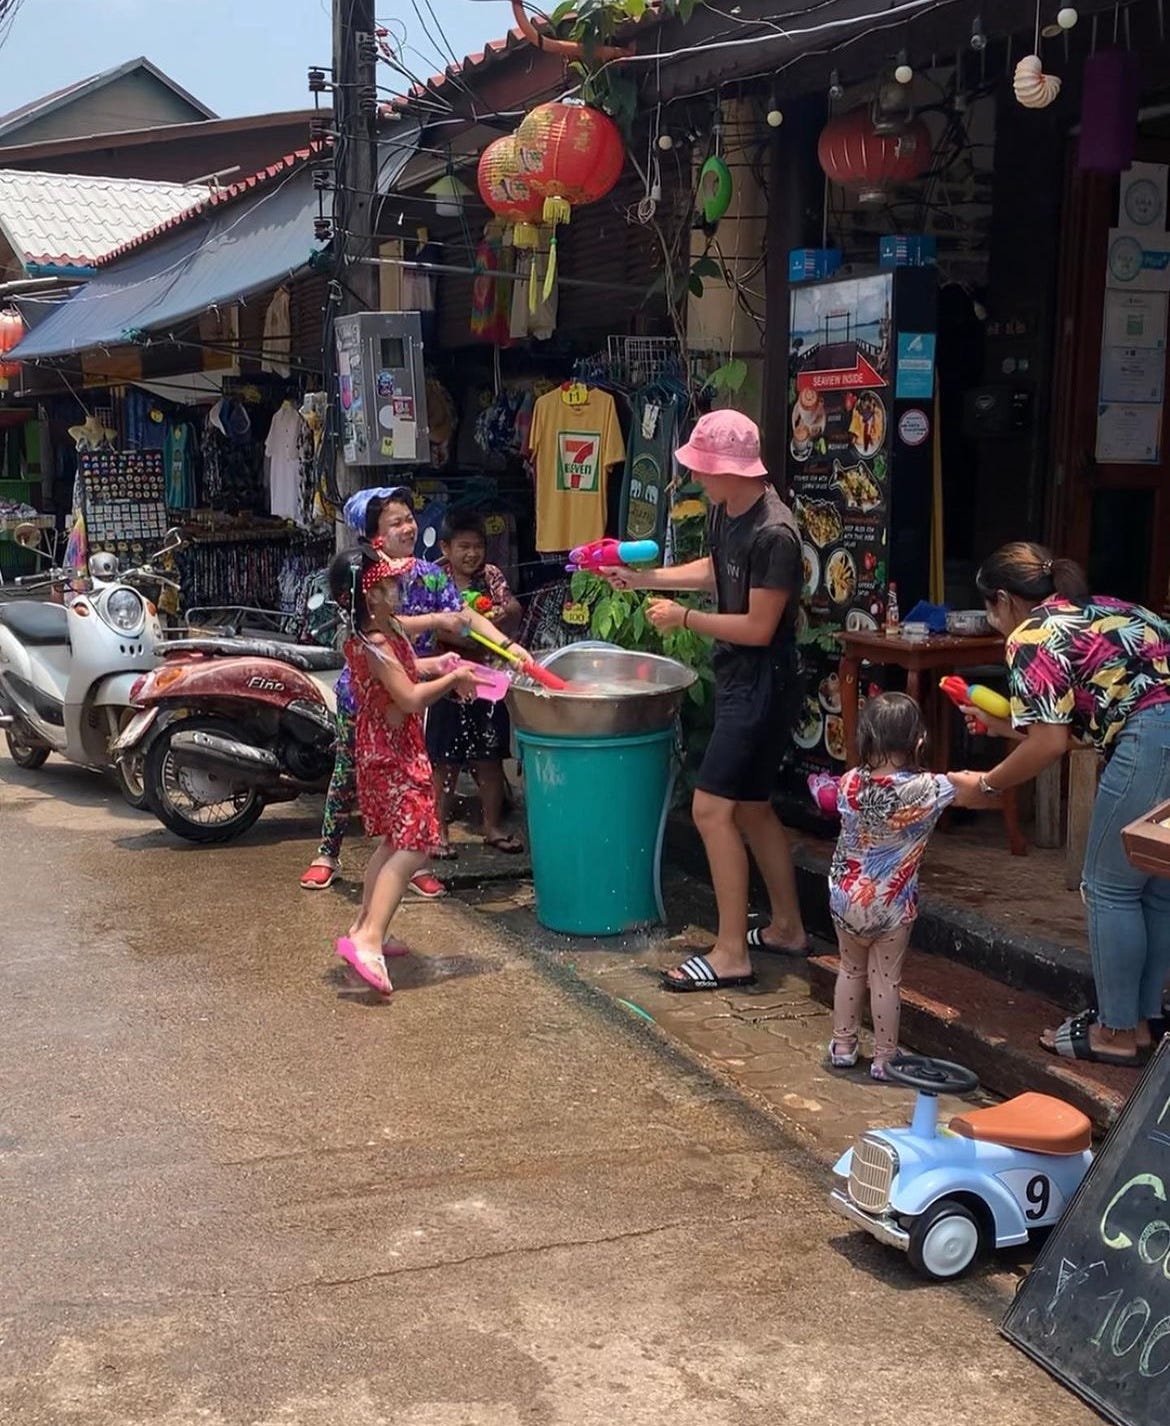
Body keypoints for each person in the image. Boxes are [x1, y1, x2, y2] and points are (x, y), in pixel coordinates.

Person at [602, 410, 807, 991]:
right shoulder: (727, 510)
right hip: (742, 680)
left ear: (732, 470)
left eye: (702, 468)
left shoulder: (775, 533)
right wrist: (645, 579)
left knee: (711, 810)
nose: (696, 479)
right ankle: (788, 928)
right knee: (752, 805)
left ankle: (730, 953)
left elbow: (760, 628)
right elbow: (717, 570)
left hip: (764, 683)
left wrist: (684, 618)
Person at [949, 541, 1170, 1067]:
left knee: (1109, 887)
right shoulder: (1111, 609)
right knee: (1155, 888)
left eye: (989, 608)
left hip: (1149, 741)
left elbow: (1048, 745)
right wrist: (1001, 726)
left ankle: (1115, 1033)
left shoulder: (1031, 636)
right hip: (1154, 734)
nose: (991, 620)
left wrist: (986, 785)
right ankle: (1142, 1022)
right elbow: (1072, 731)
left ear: (1004, 600)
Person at [299, 487, 531, 894]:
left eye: (409, 519)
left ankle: (412, 860)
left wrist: (509, 648)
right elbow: (385, 627)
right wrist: (437, 623)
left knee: (413, 781)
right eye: (396, 522)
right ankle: (328, 853)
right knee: (349, 772)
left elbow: (464, 617)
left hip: (414, 692)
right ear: (374, 535)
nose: (408, 527)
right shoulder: (363, 579)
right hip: (366, 696)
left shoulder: (431, 574)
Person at [330, 547, 479, 996]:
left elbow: (409, 669)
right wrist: (452, 681)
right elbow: (410, 697)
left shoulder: (385, 629)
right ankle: (370, 939)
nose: (397, 588)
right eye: (387, 584)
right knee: (414, 845)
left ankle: (364, 926)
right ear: (369, 596)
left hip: (391, 748)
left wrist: (440, 665)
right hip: (391, 755)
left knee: (395, 842)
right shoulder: (374, 645)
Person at [826, 693, 965, 1080]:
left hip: (845, 896)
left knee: (850, 969)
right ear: (918, 740)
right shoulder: (929, 788)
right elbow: (974, 788)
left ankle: (843, 1046)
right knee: (885, 980)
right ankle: (885, 1058)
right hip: (891, 903)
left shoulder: (849, 782)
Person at [427, 509, 524, 856]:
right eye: (464, 547)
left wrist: (500, 615)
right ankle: (438, 830)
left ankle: (492, 827)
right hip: (446, 682)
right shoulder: (434, 577)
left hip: (488, 679)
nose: (472, 554)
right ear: (446, 547)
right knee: (444, 759)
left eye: (478, 546)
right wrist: (464, 633)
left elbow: (512, 608)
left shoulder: (491, 575)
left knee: (490, 755)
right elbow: (429, 626)